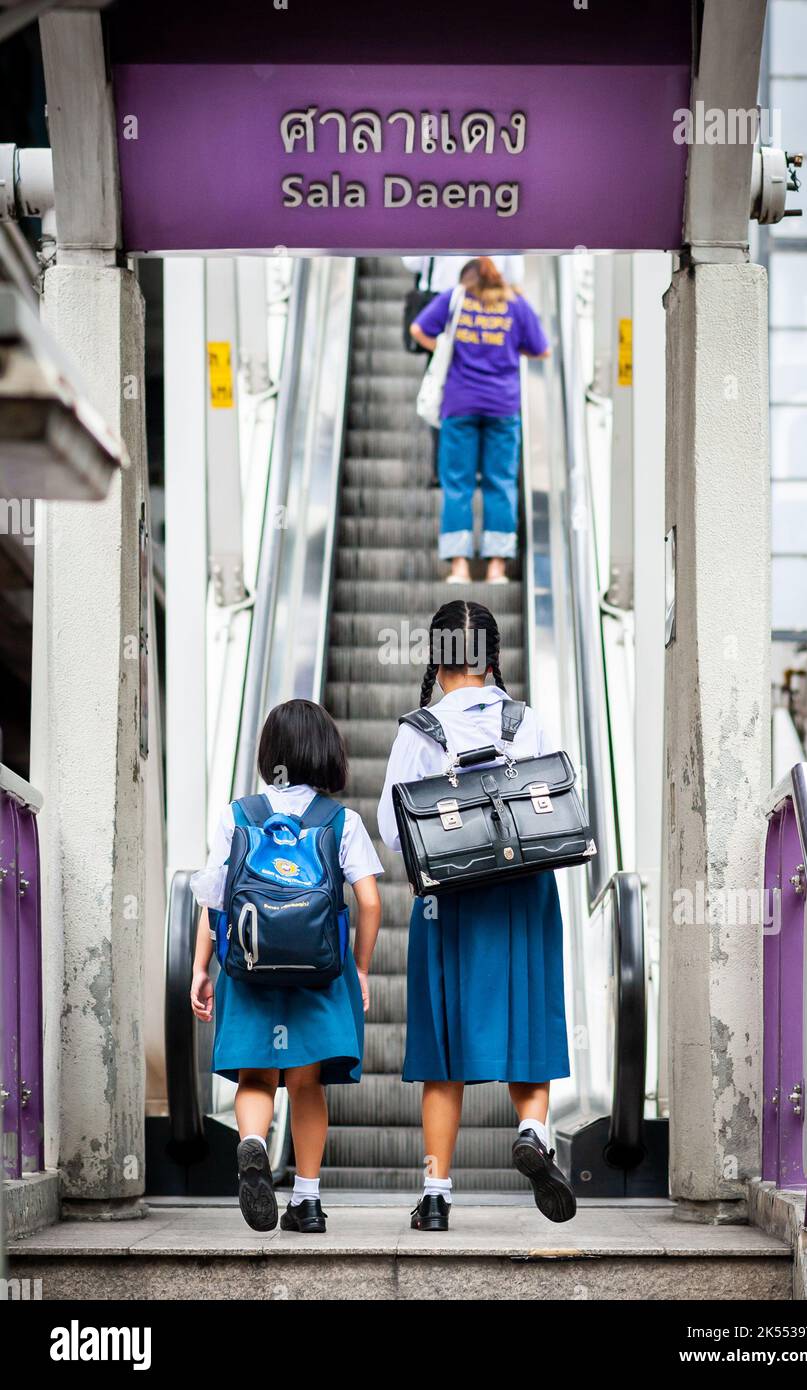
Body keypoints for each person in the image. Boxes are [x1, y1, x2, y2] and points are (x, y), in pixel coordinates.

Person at [377, 600, 577, 1231]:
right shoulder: (527, 722)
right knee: (530, 1035)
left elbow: (389, 827)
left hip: (448, 903)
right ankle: (531, 1130)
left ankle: (436, 1195)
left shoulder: (420, 730)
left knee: (444, 1056)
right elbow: (559, 804)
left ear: (438, 661)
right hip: (523, 896)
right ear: (494, 659)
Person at [190, 699, 382, 1234]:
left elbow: (213, 897)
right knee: (305, 1082)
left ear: (269, 753)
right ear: (326, 752)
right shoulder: (341, 821)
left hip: (249, 966)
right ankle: (308, 1201)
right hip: (320, 973)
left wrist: (201, 968)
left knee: (255, 1074)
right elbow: (369, 902)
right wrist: (359, 968)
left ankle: (253, 1143)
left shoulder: (239, 814)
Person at [410, 258, 549, 584]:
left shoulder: (456, 297)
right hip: (502, 406)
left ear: (467, 278)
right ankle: (496, 568)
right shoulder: (515, 304)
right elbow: (542, 350)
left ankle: (459, 567)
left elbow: (418, 329)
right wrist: (510, 351)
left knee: (457, 484)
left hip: (460, 404)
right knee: (500, 484)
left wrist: (445, 349)